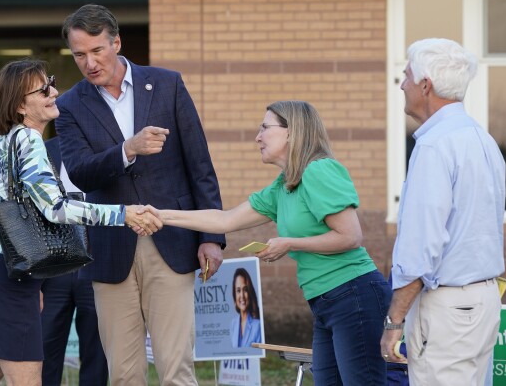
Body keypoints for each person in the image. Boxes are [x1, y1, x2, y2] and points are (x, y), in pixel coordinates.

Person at [140, 100, 392, 385]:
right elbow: (225, 220)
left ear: (292, 131)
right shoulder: (284, 185)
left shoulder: (319, 171)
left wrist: (289, 243)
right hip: (325, 301)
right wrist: (161, 215)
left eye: (265, 128)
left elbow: (350, 236)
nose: (257, 137)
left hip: (353, 294)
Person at [0, 59, 161, 386]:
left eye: (50, 83)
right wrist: (123, 214)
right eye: (44, 89)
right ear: (21, 104)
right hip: (8, 276)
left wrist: (30, 279)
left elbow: (0, 207)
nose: (55, 92)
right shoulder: (29, 140)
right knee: (28, 380)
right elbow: (57, 209)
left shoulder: (8, 139)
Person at [55, 4, 226, 386]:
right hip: (110, 248)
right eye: (79, 54)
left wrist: (212, 237)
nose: (89, 62)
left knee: (176, 368)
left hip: (171, 241)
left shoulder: (168, 84)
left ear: (116, 42)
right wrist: (127, 149)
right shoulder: (67, 106)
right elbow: (80, 171)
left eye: (97, 50)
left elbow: (200, 165)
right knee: (123, 373)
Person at [379, 38, 506, 385]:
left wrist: (394, 322)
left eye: (405, 76)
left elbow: (422, 247)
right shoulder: (482, 139)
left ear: (425, 85)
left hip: (447, 309)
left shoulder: (435, 145)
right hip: (483, 300)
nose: (401, 84)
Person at [40, 136, 108, 386]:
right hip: (54, 267)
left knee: (97, 352)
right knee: (46, 348)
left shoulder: (105, 149)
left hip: (95, 263)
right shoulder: (44, 151)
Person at [229, 267, 262, 348]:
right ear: (234, 294)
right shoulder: (233, 324)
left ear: (250, 292)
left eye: (245, 290)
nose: (242, 296)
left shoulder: (258, 325)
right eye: (238, 290)